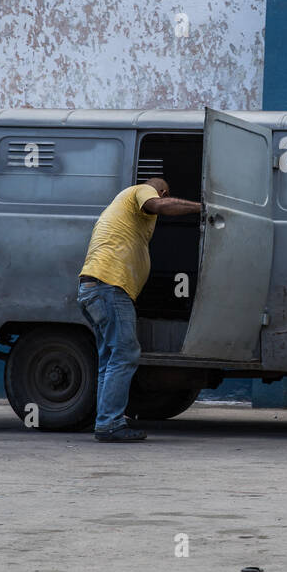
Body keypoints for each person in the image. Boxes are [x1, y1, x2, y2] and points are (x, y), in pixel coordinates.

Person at [77, 177, 202, 442]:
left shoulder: (118, 207)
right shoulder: (143, 191)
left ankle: (106, 420)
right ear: (164, 190)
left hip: (93, 289)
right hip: (110, 288)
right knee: (125, 354)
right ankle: (110, 424)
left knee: (109, 360)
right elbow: (158, 205)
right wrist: (202, 208)